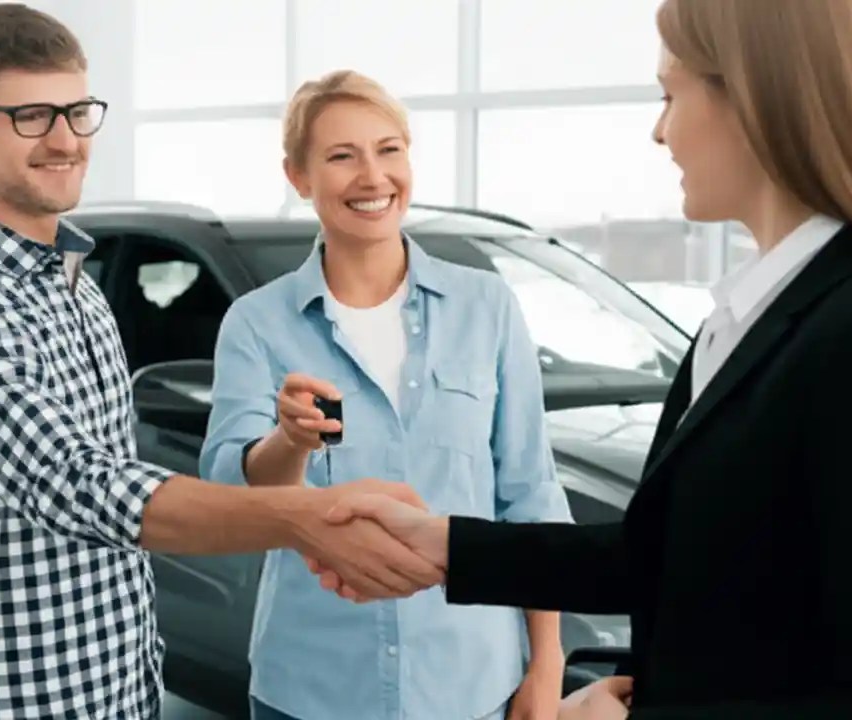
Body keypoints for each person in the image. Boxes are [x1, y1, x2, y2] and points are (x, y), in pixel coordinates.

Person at [310, 1, 852, 718]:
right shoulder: (745, 319)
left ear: (755, 97)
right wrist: (442, 545)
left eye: (671, 94)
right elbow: (663, 560)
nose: (660, 131)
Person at [0, 6, 437, 718]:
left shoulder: (75, 285)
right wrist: (308, 515)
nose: (65, 140)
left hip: (120, 692)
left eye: (78, 111)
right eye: (31, 116)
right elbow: (77, 485)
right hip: (17, 704)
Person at [199, 69, 574, 720]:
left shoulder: (485, 307)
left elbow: (531, 496)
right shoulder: (258, 324)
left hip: (472, 686)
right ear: (299, 177)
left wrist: (547, 665)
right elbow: (234, 497)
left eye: (388, 149)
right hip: (311, 690)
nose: (373, 177)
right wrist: (288, 441)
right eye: (342, 156)